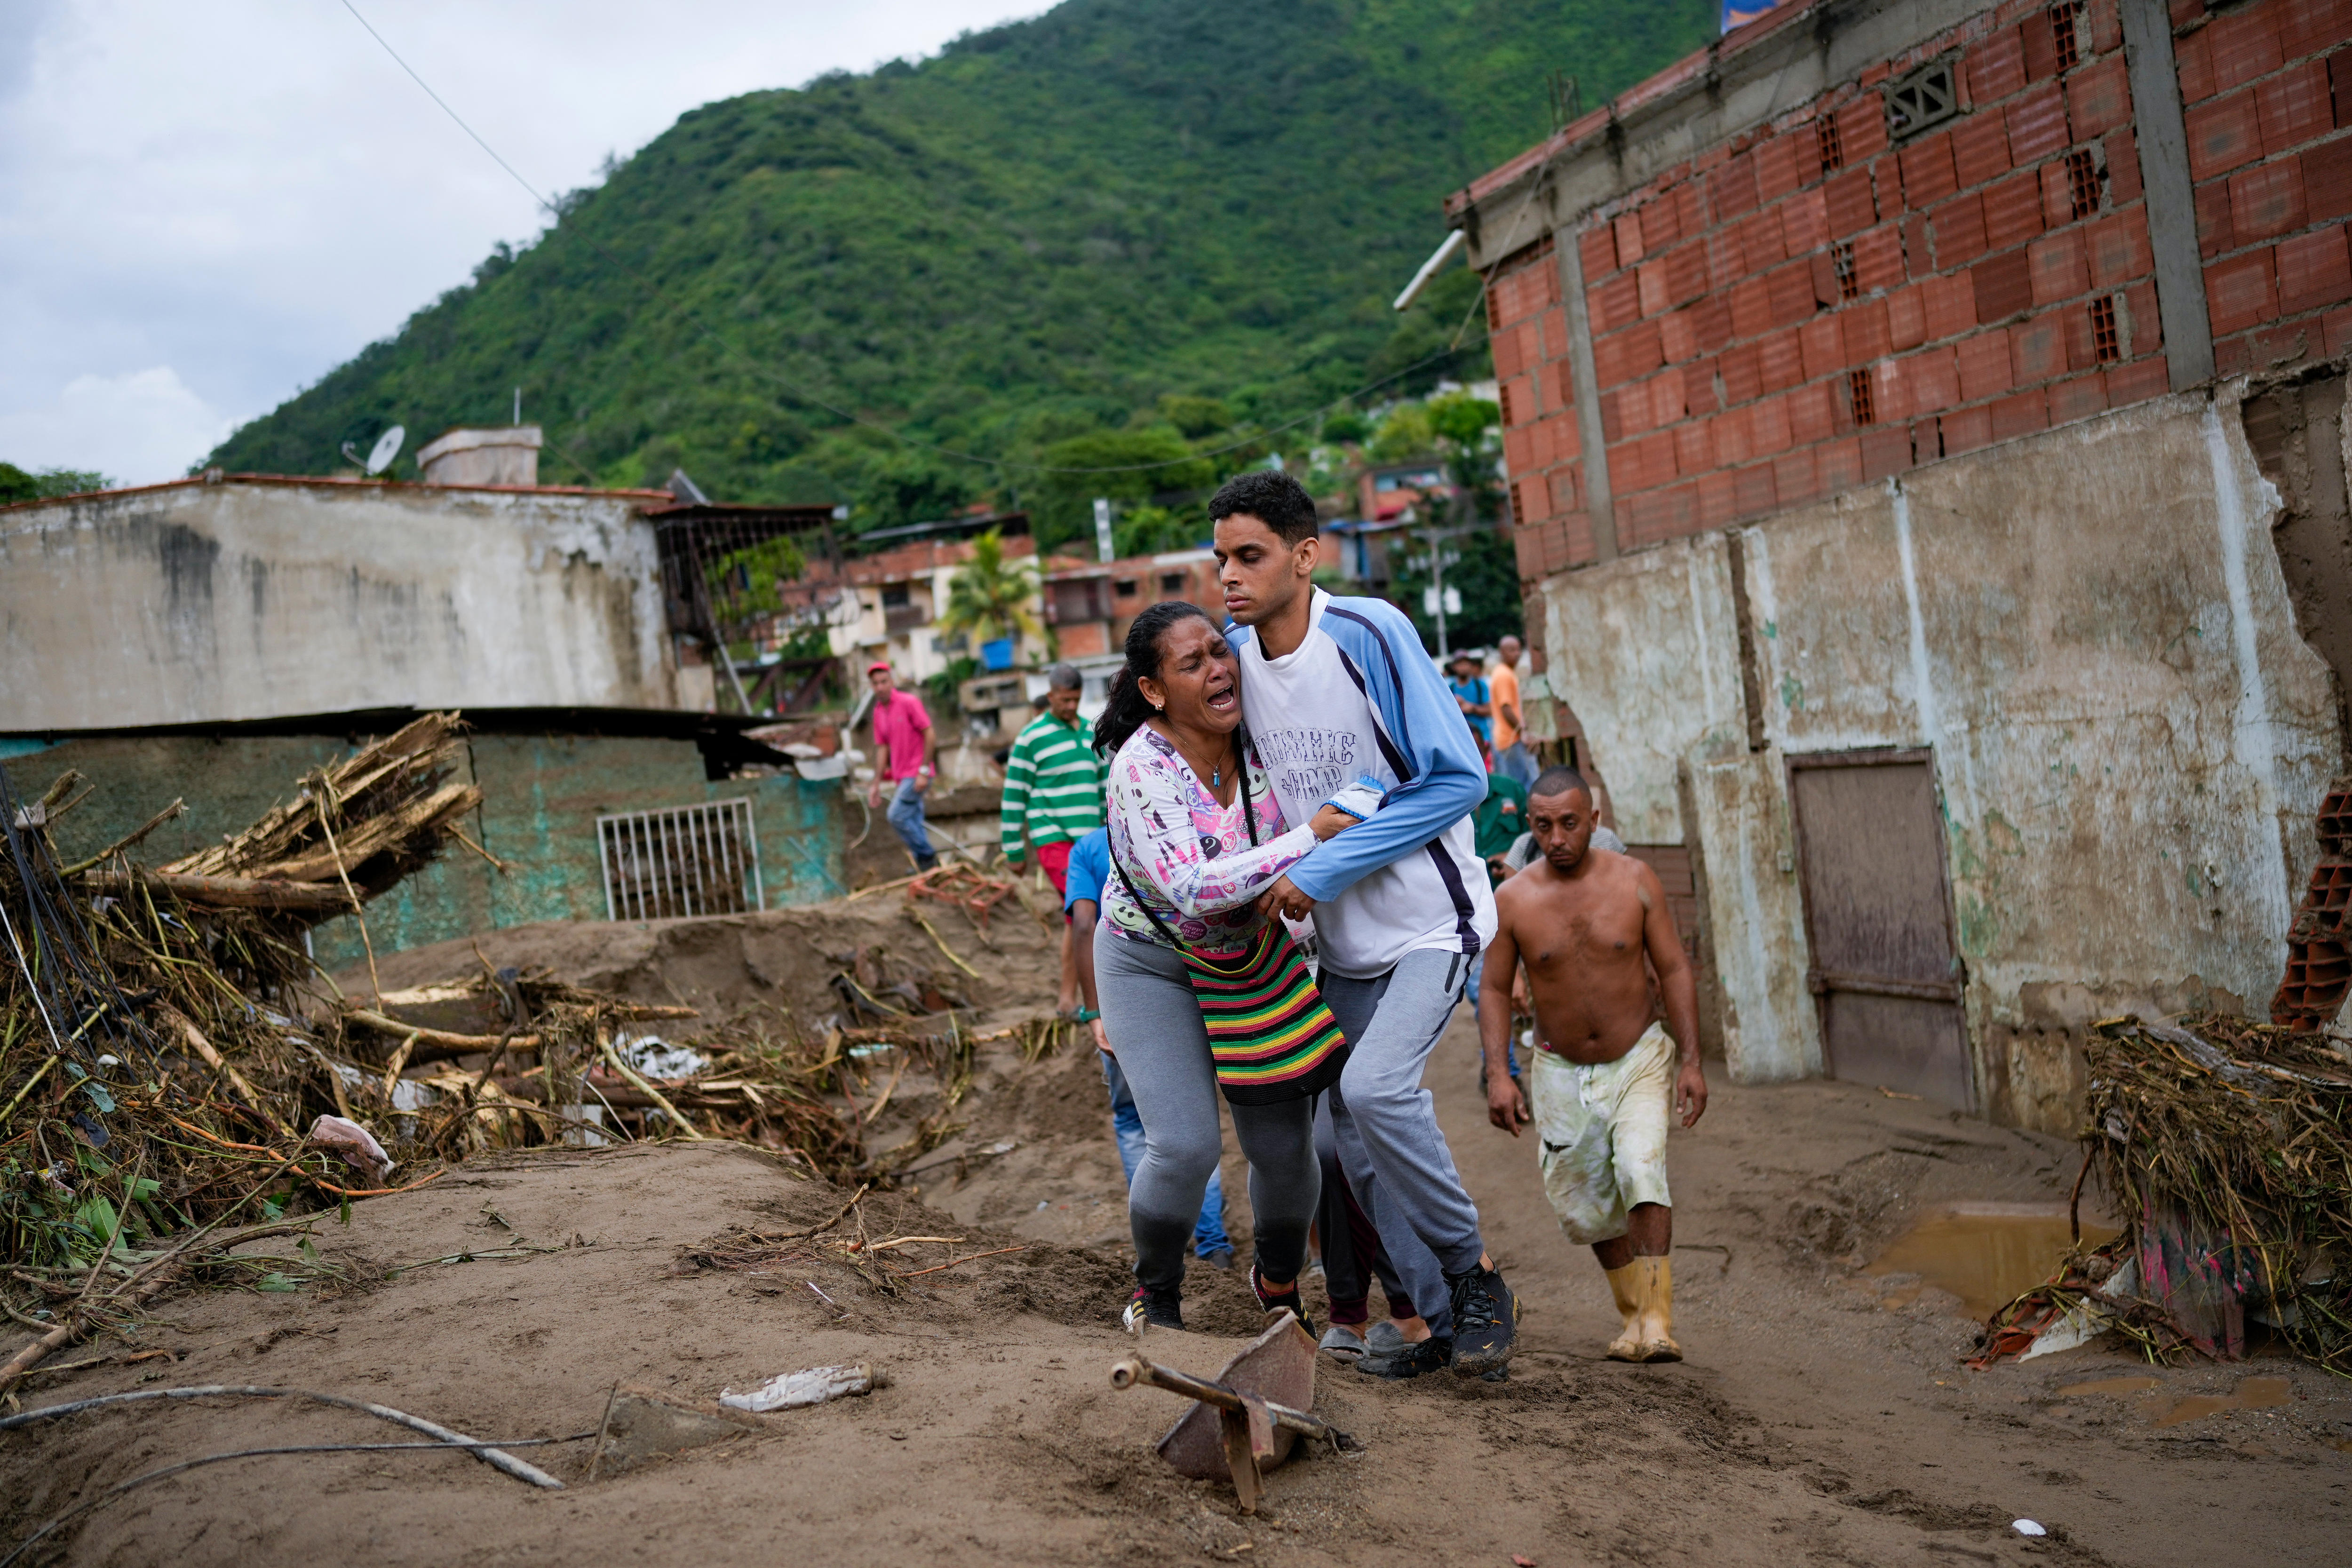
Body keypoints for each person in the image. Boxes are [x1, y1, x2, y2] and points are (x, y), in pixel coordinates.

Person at [1211, 468, 1519, 1381]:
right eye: (1220, 556)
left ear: (1306, 557)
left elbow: (1457, 776)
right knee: (1340, 1132)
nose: (1229, 573)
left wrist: (1324, 866)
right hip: (1341, 940)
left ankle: (1475, 1278)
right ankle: (1433, 1318)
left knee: (1379, 1092)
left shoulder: (1369, 630)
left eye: (1250, 555)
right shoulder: (1234, 658)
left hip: (1432, 920)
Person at [1092, 599, 1361, 1332]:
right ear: (1152, 690)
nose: (1219, 669)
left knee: (1284, 1150)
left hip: (1254, 958)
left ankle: (1278, 1284)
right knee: (1184, 1145)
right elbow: (1191, 888)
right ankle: (1159, 1292)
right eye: (1193, 663)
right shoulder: (1140, 768)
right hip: (1150, 962)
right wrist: (1308, 838)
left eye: (1221, 650)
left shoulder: (1264, 738)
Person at [1477, 765, 1707, 1363]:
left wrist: (1691, 1061)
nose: (1558, 837)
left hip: (1638, 1055)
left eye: (1570, 824)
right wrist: (1499, 1075)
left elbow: (1676, 969)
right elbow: (1496, 990)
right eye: (1544, 825)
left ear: (1594, 822)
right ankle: (1631, 1318)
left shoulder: (1635, 882)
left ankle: (1657, 1322)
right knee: (1583, 1204)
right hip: (1558, 1068)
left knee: (1639, 1167)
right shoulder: (1513, 899)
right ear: (1530, 826)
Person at [1065, 826, 1234, 1268]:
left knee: (1135, 1122)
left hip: (1131, 994)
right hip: (1204, 982)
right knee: (1197, 1120)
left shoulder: (1088, 848)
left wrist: (1094, 1011)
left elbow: (1085, 924)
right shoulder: (1194, 829)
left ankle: (1162, 1244)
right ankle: (1214, 1243)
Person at [1001, 664, 1104, 1014]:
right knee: (1082, 912)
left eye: (1075, 700)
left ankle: (1069, 999)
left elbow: (1105, 785)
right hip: (1054, 839)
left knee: (1081, 916)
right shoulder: (1031, 737)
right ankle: (1078, 999)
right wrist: (1014, 849)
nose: (1070, 706)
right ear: (1050, 696)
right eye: (1064, 700)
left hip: (1090, 840)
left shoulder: (1091, 732)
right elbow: (1014, 794)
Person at [864, 662, 939, 873]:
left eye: (884, 682)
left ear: (892, 681)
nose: (880, 687)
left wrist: (923, 771)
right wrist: (876, 784)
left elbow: (930, 734)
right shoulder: (879, 712)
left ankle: (927, 856)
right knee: (914, 819)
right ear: (871, 686)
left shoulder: (909, 702)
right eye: (875, 683)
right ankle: (926, 866)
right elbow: (882, 749)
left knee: (896, 815)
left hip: (917, 774)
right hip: (900, 776)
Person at [1489, 636, 1538, 788]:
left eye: (1518, 650)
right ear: (1502, 652)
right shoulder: (1504, 675)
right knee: (1527, 786)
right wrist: (1522, 732)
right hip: (1512, 739)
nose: (1517, 654)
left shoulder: (1504, 672)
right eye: (1512, 650)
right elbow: (1506, 708)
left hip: (1508, 738)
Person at [1447, 652, 1493, 756]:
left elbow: (1490, 710)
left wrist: (1473, 709)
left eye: (1466, 664)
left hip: (1482, 739)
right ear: (1454, 667)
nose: (1463, 667)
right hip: (1460, 740)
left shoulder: (1480, 686)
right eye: (1460, 664)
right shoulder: (1450, 688)